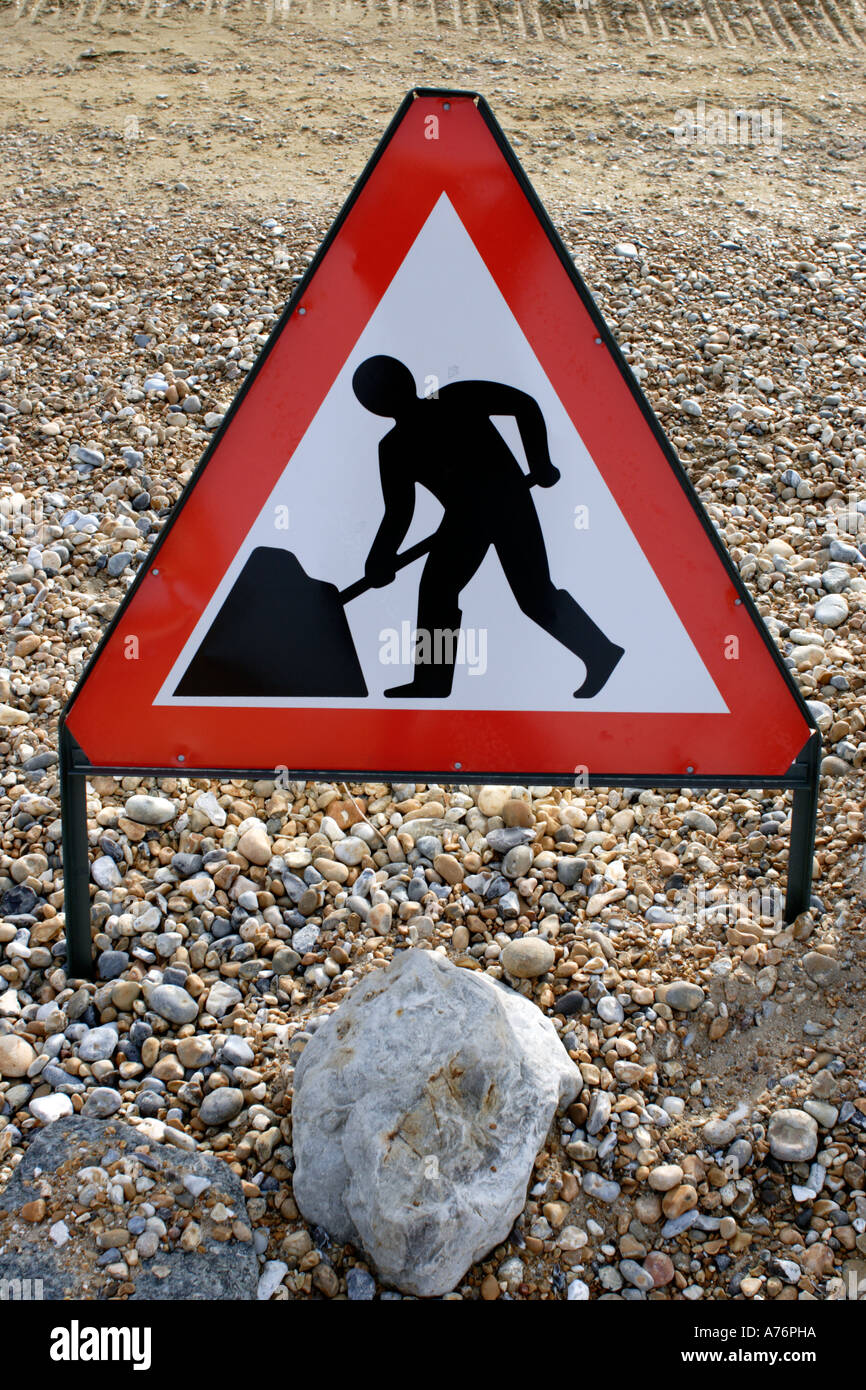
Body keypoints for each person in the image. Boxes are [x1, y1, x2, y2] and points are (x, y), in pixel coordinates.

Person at [353, 354, 624, 698]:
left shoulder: (452, 397)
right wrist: (379, 557)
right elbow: (399, 510)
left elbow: (523, 405)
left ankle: (600, 652)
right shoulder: (394, 445)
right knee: (438, 593)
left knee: (534, 595)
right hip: (465, 519)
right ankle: (431, 682)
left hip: (507, 502)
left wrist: (539, 461)